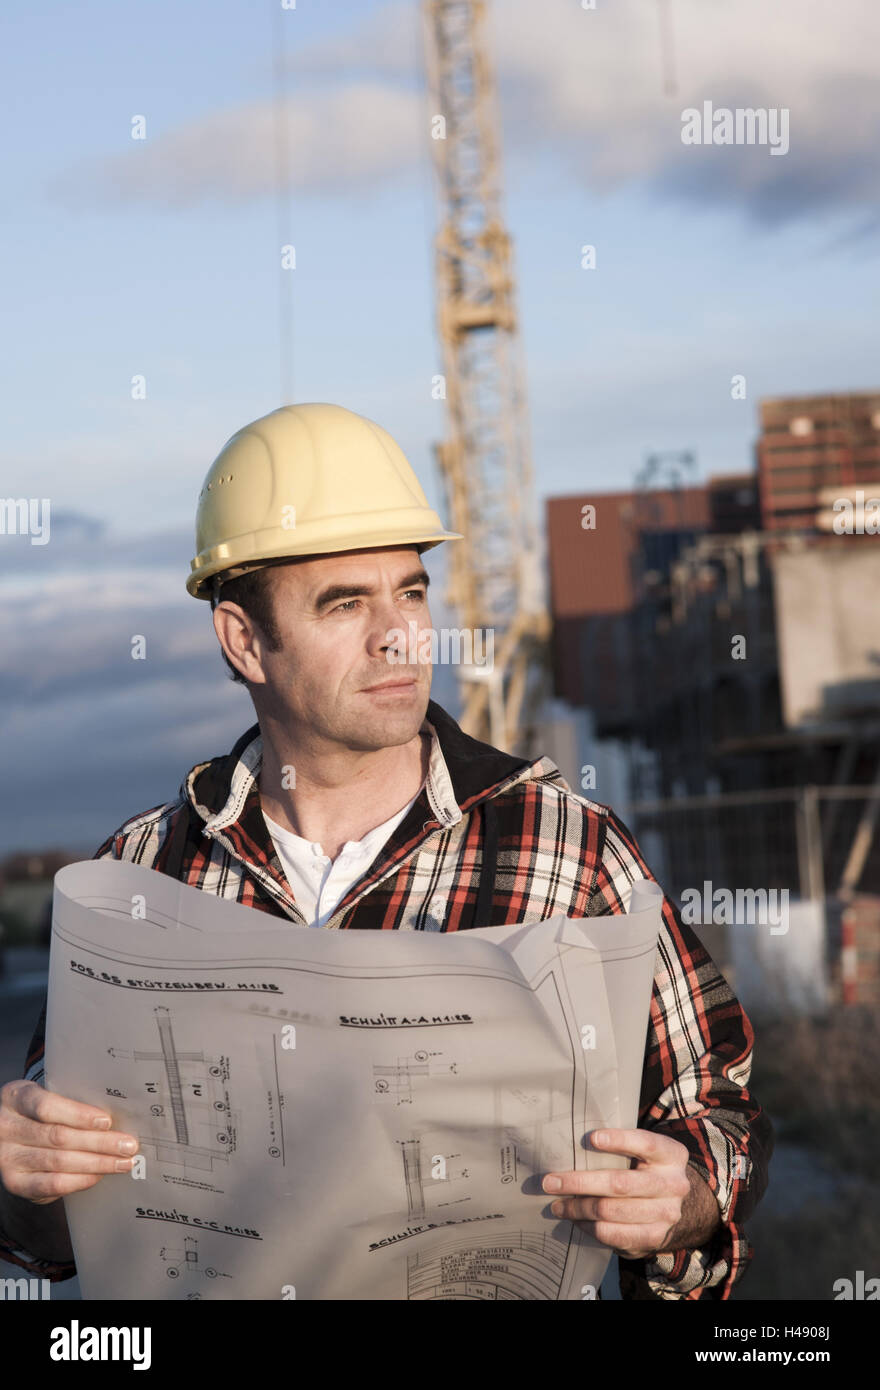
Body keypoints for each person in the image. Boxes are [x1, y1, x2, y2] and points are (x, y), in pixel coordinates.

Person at [0, 403, 772, 1300]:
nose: (399, 634)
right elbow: (55, 1227)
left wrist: (685, 1198)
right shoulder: (138, 876)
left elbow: (718, 1114)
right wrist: (23, 1179)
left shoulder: (567, 847)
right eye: (345, 604)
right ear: (244, 640)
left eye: (410, 592)